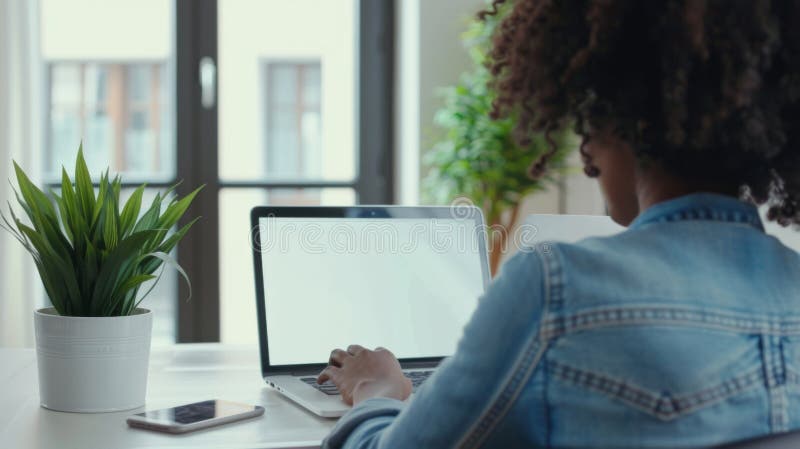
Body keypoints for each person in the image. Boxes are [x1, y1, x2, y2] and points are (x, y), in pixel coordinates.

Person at [318, 1, 800, 447]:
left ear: (621, 120)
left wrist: (374, 388)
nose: (584, 146)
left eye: (588, 116)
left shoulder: (555, 288)